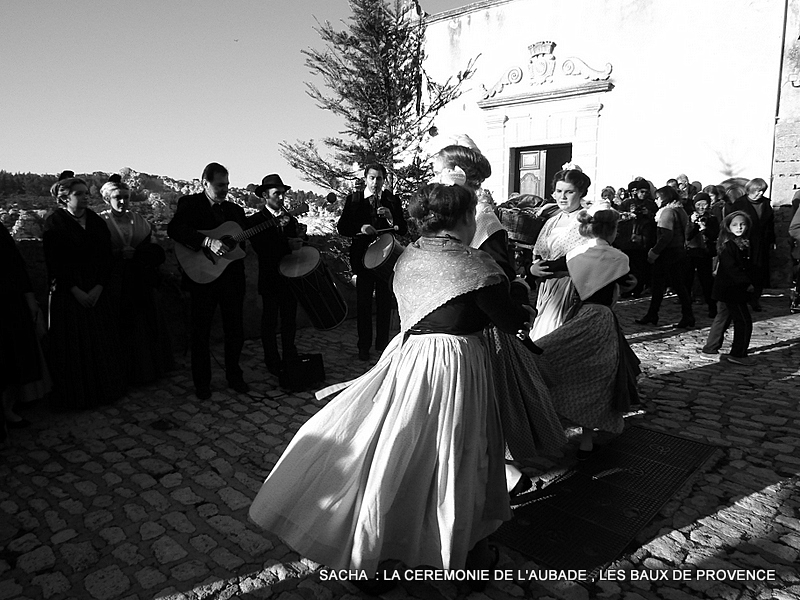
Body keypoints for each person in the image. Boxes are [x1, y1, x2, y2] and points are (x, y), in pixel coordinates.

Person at [250, 182, 533, 592]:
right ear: (465, 218)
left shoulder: (408, 256)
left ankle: (380, 554)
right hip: (455, 367)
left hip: (409, 356)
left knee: (397, 449)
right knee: (458, 455)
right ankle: (462, 554)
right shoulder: (478, 267)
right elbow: (511, 323)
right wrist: (521, 293)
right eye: (473, 215)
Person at [434, 140, 566, 497]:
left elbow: (500, 274)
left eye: (440, 168)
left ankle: (500, 471)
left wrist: (514, 295)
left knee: (486, 403)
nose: (435, 174)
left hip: (483, 326)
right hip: (450, 324)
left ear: (459, 176)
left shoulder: (482, 220)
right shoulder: (448, 213)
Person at [534, 203, 640, 457]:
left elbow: (550, 267)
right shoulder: (619, 258)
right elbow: (626, 282)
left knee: (560, 361)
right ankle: (587, 436)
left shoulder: (575, 256)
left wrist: (531, 271)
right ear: (613, 231)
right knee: (600, 375)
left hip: (579, 314)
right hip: (604, 319)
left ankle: (550, 419)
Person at [43, 175, 127, 410]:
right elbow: (55, 262)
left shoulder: (96, 222)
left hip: (96, 289)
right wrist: (76, 291)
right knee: (74, 348)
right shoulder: (55, 222)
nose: (84, 197)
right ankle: (77, 397)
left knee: (101, 343)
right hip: (70, 292)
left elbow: (105, 258)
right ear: (64, 197)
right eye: (79, 193)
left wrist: (99, 286)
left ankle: (105, 391)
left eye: (86, 193)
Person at [167, 162, 249, 398]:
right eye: (220, 185)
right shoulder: (190, 204)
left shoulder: (235, 211)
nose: (225, 189)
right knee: (200, 332)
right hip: (203, 278)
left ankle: (235, 375)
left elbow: (239, 244)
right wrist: (207, 242)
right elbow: (175, 229)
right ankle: (202, 383)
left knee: (235, 329)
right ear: (205, 183)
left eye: (227, 185)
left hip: (232, 279)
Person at [100, 175, 173, 384]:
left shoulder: (139, 220)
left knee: (146, 325)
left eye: (125, 197)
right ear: (107, 199)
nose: (122, 201)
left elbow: (153, 248)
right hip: (116, 284)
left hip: (140, 281)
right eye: (117, 198)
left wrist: (139, 255)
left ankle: (149, 370)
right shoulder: (102, 222)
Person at [337, 163, 407, 361]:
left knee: (385, 303)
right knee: (364, 304)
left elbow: (402, 229)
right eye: (372, 178)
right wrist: (361, 227)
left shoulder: (391, 200)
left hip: (386, 259)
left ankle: (383, 346)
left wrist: (391, 217)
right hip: (363, 259)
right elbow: (342, 227)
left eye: (379, 179)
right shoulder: (354, 199)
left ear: (384, 180)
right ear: (365, 179)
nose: (376, 183)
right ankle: (364, 347)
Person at [247, 174, 304, 376]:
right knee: (269, 321)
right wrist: (285, 245)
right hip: (270, 277)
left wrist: (297, 243)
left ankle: (290, 353)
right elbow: (262, 248)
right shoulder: (254, 221)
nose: (281, 198)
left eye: (282, 194)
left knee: (289, 320)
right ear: (265, 195)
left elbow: (293, 242)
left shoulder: (290, 219)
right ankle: (271, 359)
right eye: (276, 194)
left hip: (289, 277)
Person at [528, 168, 593, 341]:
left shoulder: (587, 220)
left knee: (555, 337)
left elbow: (587, 255)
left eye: (569, 192)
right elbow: (538, 253)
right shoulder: (552, 221)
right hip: (547, 288)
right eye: (559, 191)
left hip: (572, 288)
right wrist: (533, 268)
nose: (563, 197)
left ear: (581, 193)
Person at [1, 223, 47, 440]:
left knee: (12, 358)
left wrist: (30, 300)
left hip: (7, 302)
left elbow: (15, 266)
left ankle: (7, 410)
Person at [699, 212, 756, 365]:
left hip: (729, 289)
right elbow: (732, 268)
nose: (739, 227)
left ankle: (710, 348)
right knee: (743, 321)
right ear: (728, 226)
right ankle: (738, 353)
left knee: (723, 318)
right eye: (735, 225)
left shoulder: (742, 243)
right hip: (732, 289)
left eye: (742, 224)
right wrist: (746, 283)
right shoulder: (728, 245)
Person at [635, 186, 695, 328]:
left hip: (667, 253)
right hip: (677, 251)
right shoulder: (680, 209)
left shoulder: (667, 212)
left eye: (658, 197)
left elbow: (666, 235)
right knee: (677, 285)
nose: (656, 200)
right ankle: (683, 315)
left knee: (660, 285)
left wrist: (654, 252)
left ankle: (656, 314)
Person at [729, 178, 774, 311]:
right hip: (745, 240)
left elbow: (770, 224)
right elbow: (732, 221)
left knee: (759, 270)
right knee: (745, 268)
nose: (760, 194)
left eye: (762, 191)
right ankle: (743, 296)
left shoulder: (765, 203)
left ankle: (755, 299)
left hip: (761, 242)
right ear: (750, 190)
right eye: (757, 191)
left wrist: (772, 240)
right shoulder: (740, 203)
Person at [616, 180, 658, 297]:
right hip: (627, 240)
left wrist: (648, 214)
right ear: (636, 191)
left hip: (643, 241)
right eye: (641, 191)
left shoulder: (651, 204)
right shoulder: (627, 203)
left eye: (646, 192)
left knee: (641, 268)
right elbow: (618, 217)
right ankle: (626, 289)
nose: (643, 194)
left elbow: (656, 222)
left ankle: (638, 289)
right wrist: (629, 214)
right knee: (627, 267)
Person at [685, 192, 720, 318]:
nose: (701, 207)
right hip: (691, 252)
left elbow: (714, 235)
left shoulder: (712, 218)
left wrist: (704, 228)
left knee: (707, 281)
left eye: (704, 204)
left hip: (705, 253)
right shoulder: (690, 217)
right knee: (687, 281)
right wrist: (692, 223)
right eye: (698, 204)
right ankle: (687, 310)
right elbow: (687, 236)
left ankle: (712, 307)